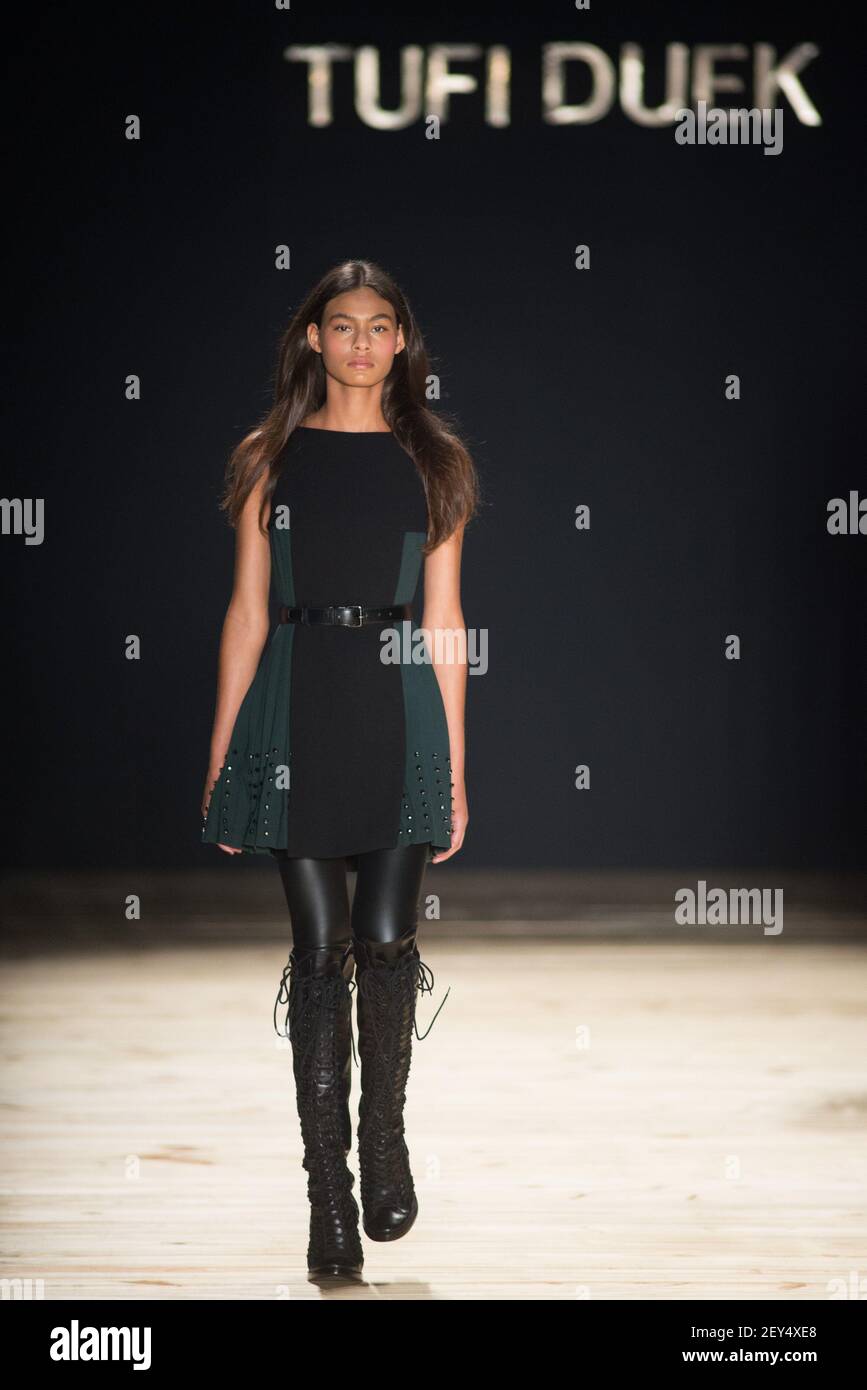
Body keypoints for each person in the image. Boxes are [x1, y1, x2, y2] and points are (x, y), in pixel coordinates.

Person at [200, 260, 480, 1285]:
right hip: (295, 698)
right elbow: (245, 609)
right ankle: (327, 1197)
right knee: (318, 952)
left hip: (400, 698)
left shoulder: (432, 461)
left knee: (388, 939)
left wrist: (453, 763)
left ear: (402, 340)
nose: (361, 343)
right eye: (342, 325)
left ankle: (385, 1139)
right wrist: (226, 747)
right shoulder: (269, 457)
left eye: (380, 326)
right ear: (314, 338)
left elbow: (444, 621)